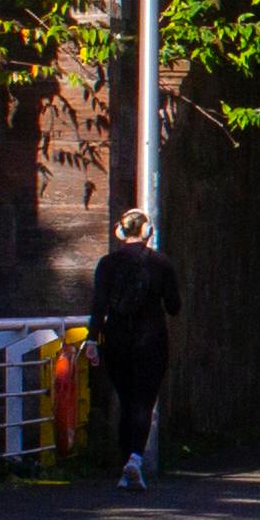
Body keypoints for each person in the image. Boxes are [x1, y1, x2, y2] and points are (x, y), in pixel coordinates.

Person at [88, 208, 182, 489]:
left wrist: (92, 339)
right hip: (151, 339)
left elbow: (99, 305)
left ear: (121, 232)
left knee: (126, 400)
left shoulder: (107, 264)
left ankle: (125, 460)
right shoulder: (161, 264)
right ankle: (135, 460)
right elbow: (174, 307)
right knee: (144, 401)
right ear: (147, 232)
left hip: (116, 338)